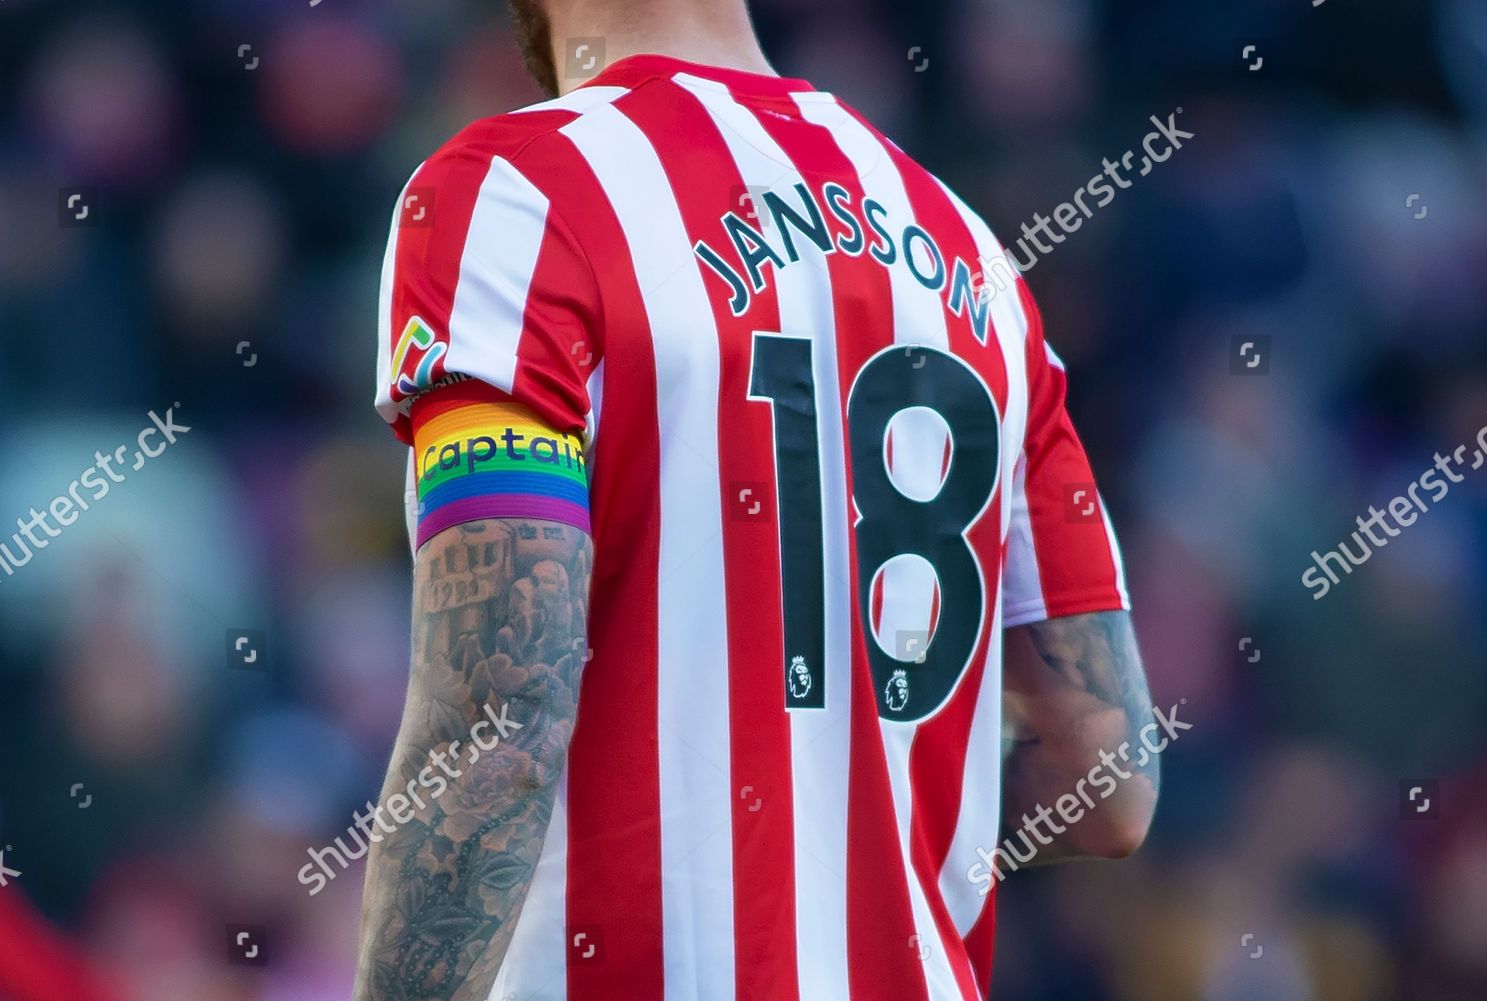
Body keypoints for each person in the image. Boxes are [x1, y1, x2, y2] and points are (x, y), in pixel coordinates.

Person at [355, 1, 1159, 998]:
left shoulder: (513, 196)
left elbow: (498, 717)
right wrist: (842, 790)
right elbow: (1108, 778)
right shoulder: (976, 258)